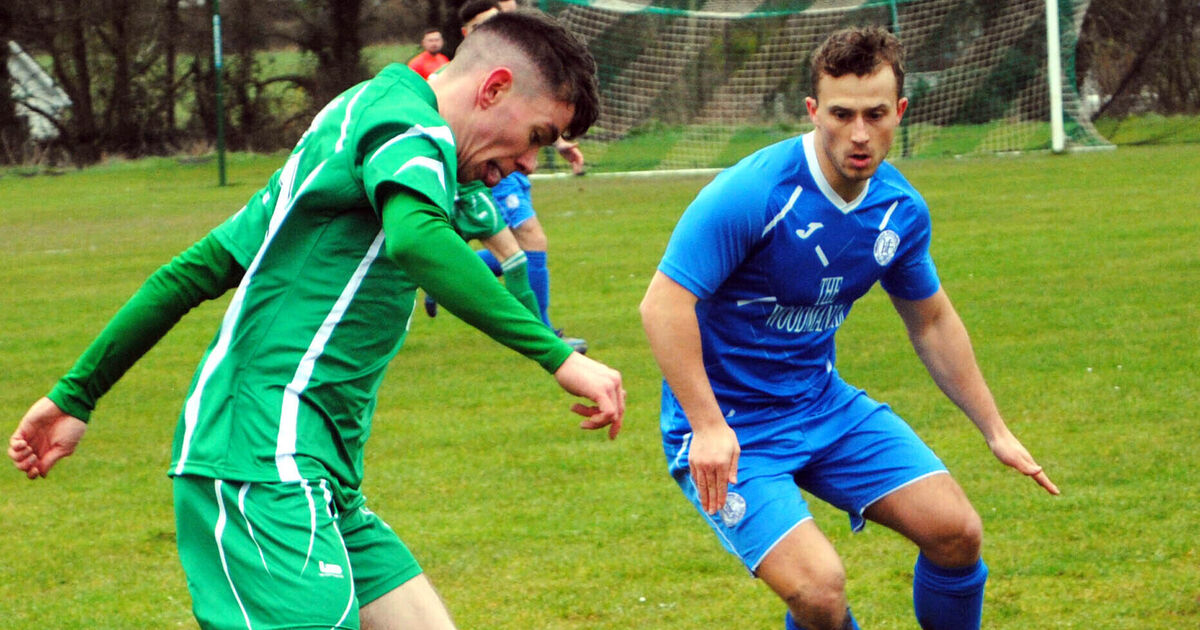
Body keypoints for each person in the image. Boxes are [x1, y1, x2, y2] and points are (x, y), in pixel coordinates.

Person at [9, 11, 622, 630]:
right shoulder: (405, 123)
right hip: (262, 458)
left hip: (322, 476)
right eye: (539, 134)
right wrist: (559, 356)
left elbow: (197, 269)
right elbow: (418, 241)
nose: (531, 163)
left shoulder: (361, 119)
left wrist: (74, 395)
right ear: (493, 89)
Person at [639, 26, 1058, 630]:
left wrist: (994, 429)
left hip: (820, 404)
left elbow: (932, 319)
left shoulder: (900, 210)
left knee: (957, 531)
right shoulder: (754, 193)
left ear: (900, 113)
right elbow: (663, 305)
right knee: (819, 592)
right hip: (731, 428)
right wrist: (707, 426)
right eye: (841, 114)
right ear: (813, 112)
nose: (859, 134)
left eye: (875, 114)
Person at [424, 0, 588, 355]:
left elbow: (528, 112)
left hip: (498, 164)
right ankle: (543, 332)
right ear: (468, 35)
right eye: (488, 24)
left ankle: (436, 271)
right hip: (488, 167)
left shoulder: (514, 84)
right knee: (531, 241)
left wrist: (557, 143)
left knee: (516, 253)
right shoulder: (457, 85)